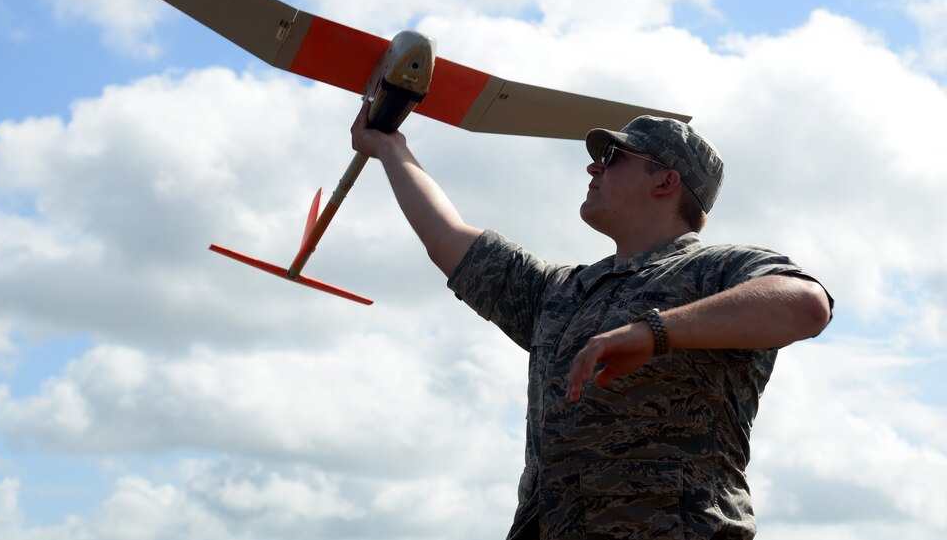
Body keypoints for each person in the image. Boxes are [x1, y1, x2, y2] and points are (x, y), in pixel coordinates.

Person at [351, 112, 833, 540]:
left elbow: (806, 303)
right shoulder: (563, 291)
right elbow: (450, 240)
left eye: (613, 156)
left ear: (665, 182)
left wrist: (653, 331)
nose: (593, 166)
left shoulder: (717, 270)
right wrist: (391, 147)